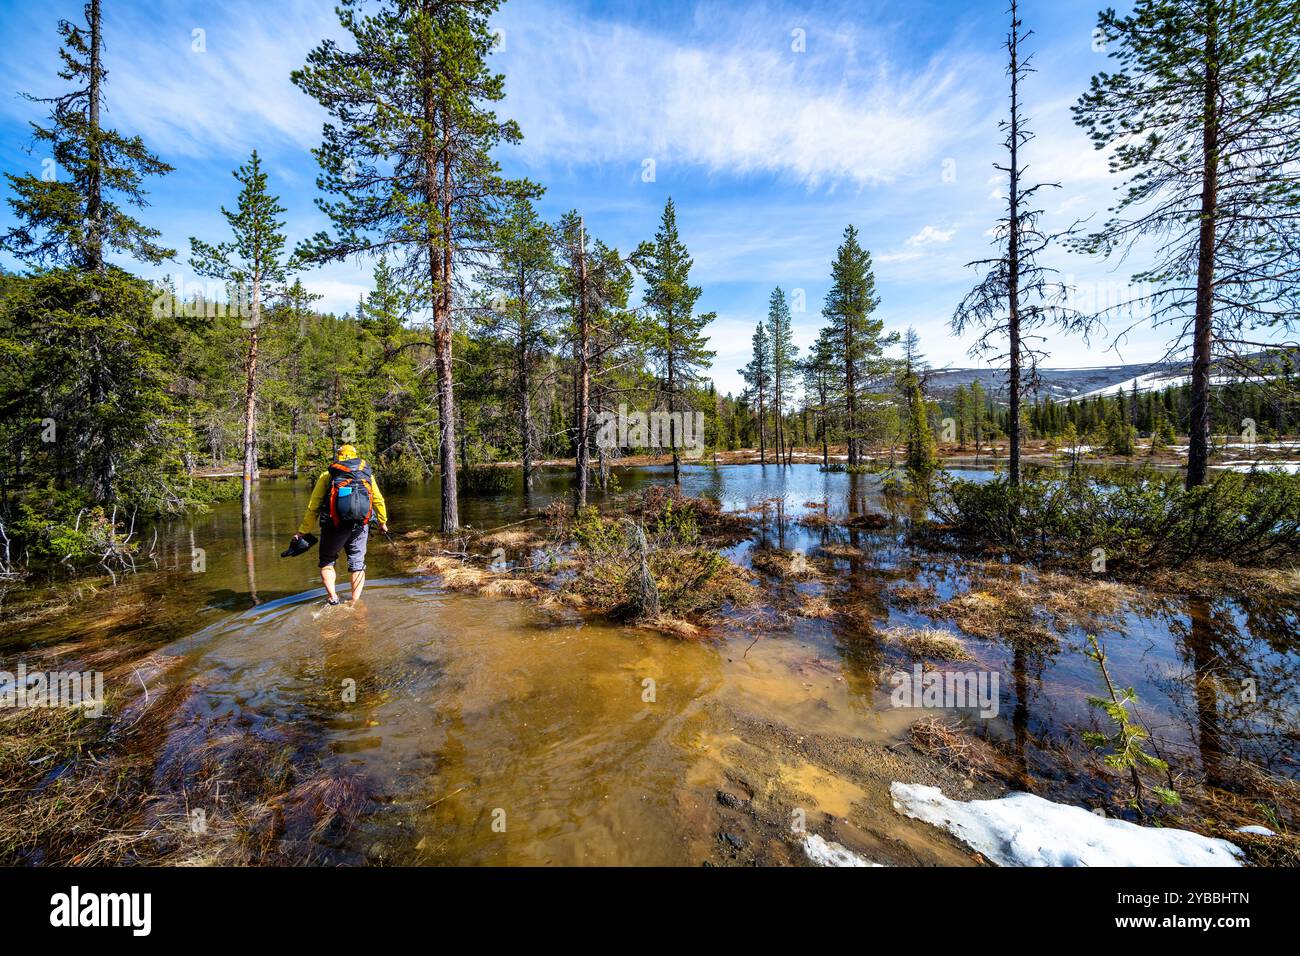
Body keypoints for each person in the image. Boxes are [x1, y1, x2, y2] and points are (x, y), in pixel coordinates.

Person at [293, 444, 388, 606]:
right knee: (357, 563)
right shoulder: (367, 475)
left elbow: (313, 506)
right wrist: (382, 522)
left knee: (327, 561)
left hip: (334, 526)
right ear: (355, 456)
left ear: (338, 456)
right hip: (360, 525)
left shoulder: (328, 475)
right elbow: (378, 499)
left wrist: (303, 531)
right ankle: (354, 603)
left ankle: (333, 598)